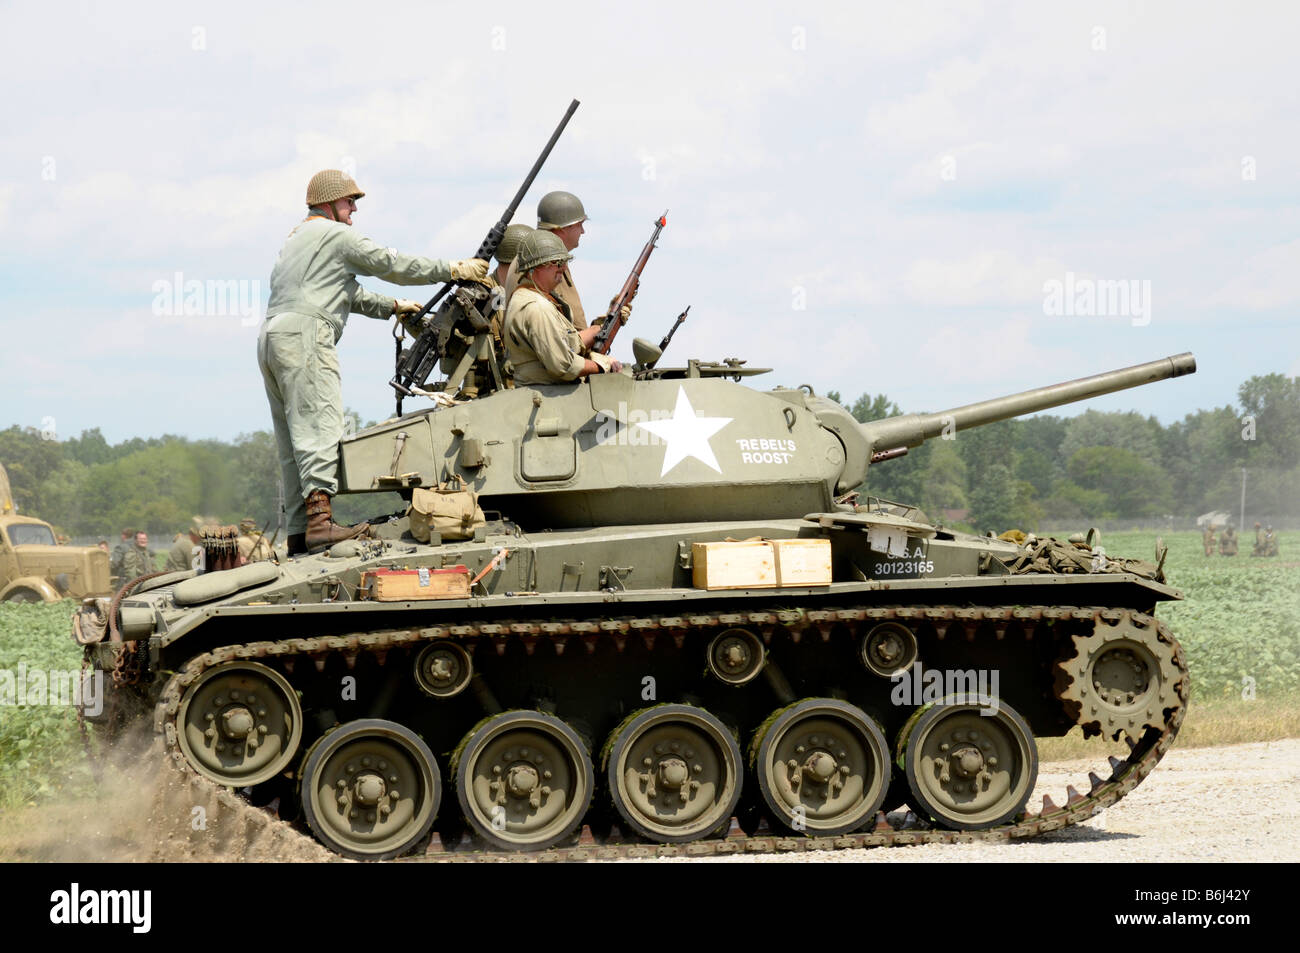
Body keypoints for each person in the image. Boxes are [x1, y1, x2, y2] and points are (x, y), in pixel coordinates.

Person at [259, 169, 490, 555]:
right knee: (319, 426)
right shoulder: (335, 235)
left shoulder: (297, 239)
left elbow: (347, 292)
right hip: (307, 338)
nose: (353, 211)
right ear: (330, 203)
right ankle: (320, 524)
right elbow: (391, 264)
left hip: (274, 338)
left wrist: (394, 308)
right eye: (350, 202)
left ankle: (300, 529)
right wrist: (453, 269)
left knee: (292, 438)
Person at [503, 230, 623, 384]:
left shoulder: (529, 298)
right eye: (557, 263)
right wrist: (602, 365)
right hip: (548, 396)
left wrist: (599, 328)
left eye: (565, 262)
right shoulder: (537, 307)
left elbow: (565, 342)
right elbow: (563, 365)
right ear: (538, 266)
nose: (564, 268)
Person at [503, 191, 632, 332]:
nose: (583, 231)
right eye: (579, 224)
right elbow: (563, 333)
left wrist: (605, 323)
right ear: (564, 227)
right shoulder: (546, 262)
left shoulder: (542, 258)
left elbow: (569, 326)